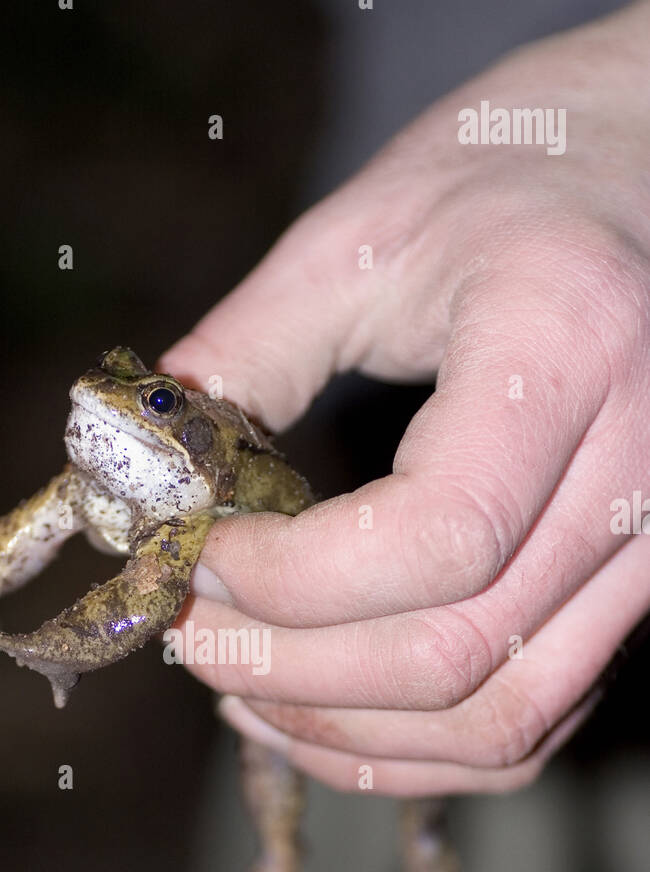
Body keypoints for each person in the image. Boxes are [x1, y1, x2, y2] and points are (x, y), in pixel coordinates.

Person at [160, 0, 650, 798]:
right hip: (366, 391)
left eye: (154, 400)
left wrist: (635, 87)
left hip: (550, 261)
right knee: (326, 771)